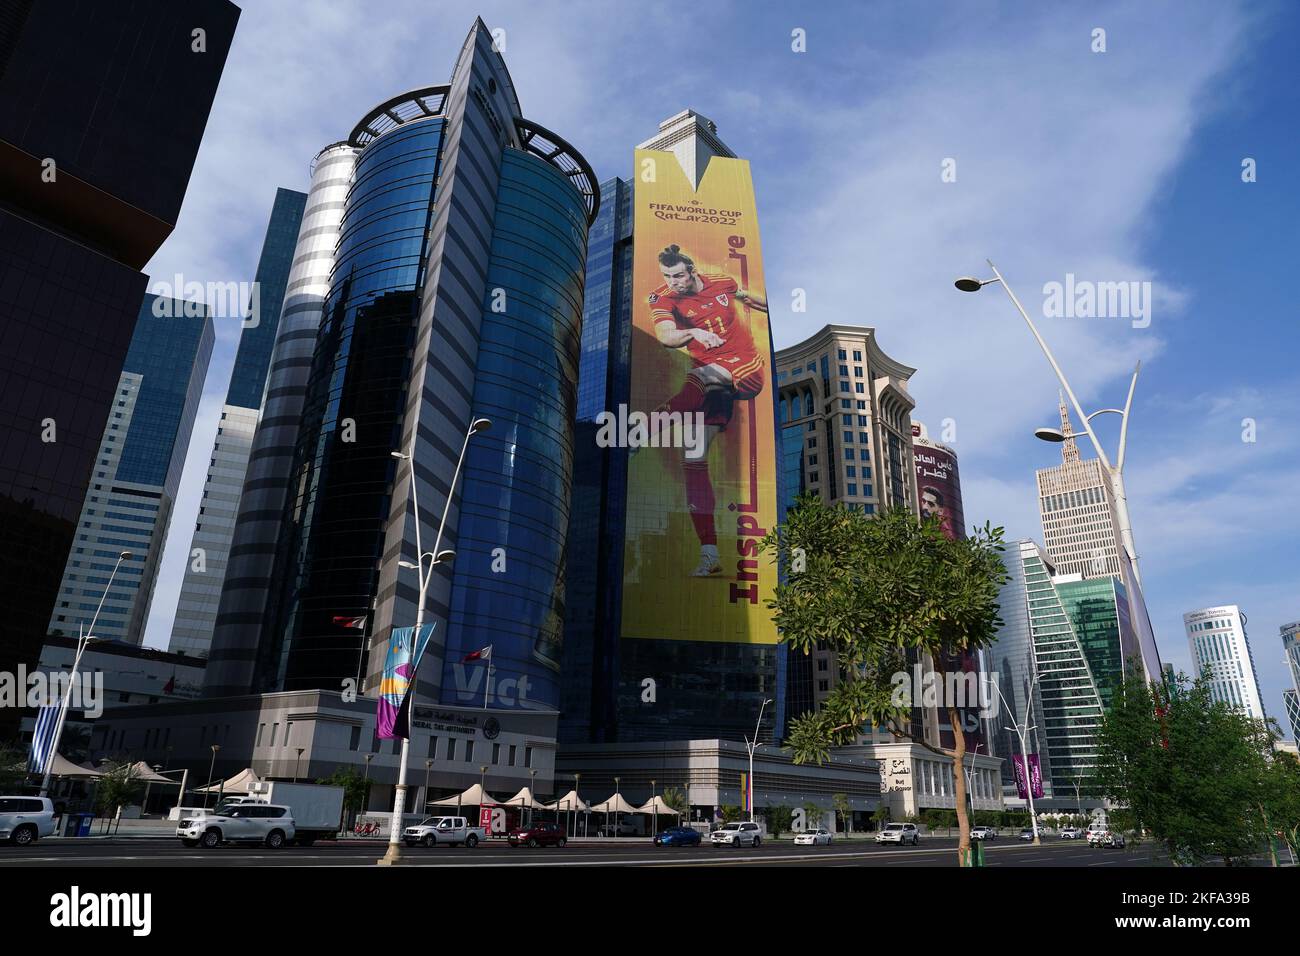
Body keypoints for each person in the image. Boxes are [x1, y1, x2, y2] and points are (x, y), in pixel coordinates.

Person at [646, 244, 768, 576]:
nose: (673, 282)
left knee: (700, 375)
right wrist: (694, 332)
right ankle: (710, 553)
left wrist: (768, 306)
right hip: (713, 390)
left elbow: (747, 297)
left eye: (678, 275)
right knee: (694, 458)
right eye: (667, 276)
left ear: (692, 272)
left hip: (745, 369)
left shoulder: (720, 282)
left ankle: (638, 432)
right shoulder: (664, 298)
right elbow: (666, 336)